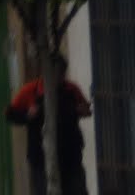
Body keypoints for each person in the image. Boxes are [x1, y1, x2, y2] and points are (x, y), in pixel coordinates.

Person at [7, 55, 92, 195]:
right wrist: (28, 115)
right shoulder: (31, 90)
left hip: (70, 156)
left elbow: (86, 110)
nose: (58, 78)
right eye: (55, 73)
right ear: (45, 72)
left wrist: (82, 110)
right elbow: (10, 114)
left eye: (61, 73)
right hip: (41, 158)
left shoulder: (71, 89)